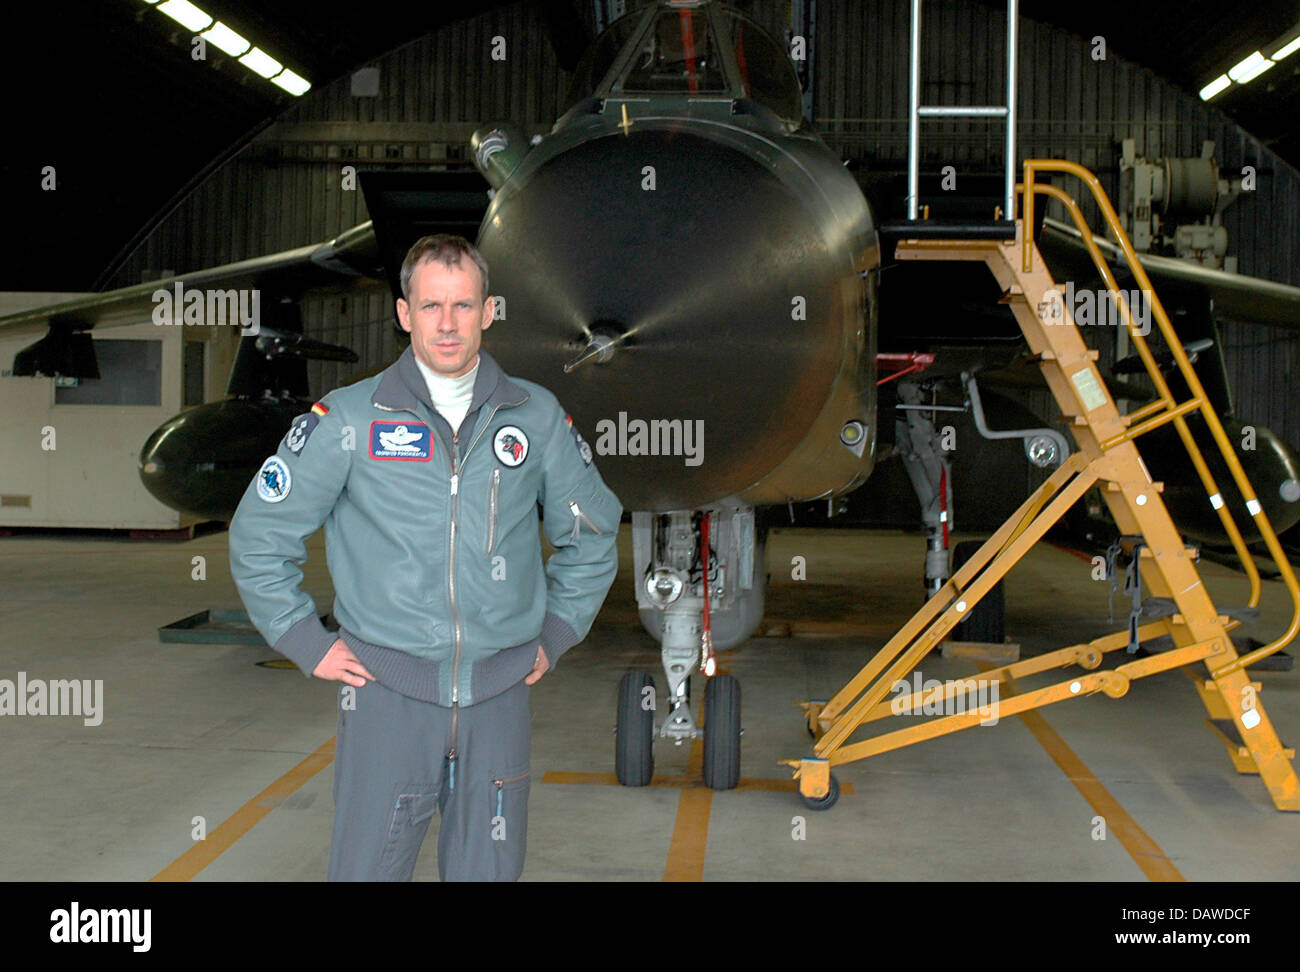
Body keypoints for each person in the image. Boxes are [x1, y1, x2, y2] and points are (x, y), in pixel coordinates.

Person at [228, 233, 622, 881]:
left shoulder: (536, 417)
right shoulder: (350, 421)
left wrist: (557, 631)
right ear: (404, 312)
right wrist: (304, 638)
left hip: (500, 696)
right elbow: (261, 531)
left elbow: (593, 532)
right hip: (386, 696)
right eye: (431, 305)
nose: (447, 324)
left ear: (489, 311)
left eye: (463, 305)